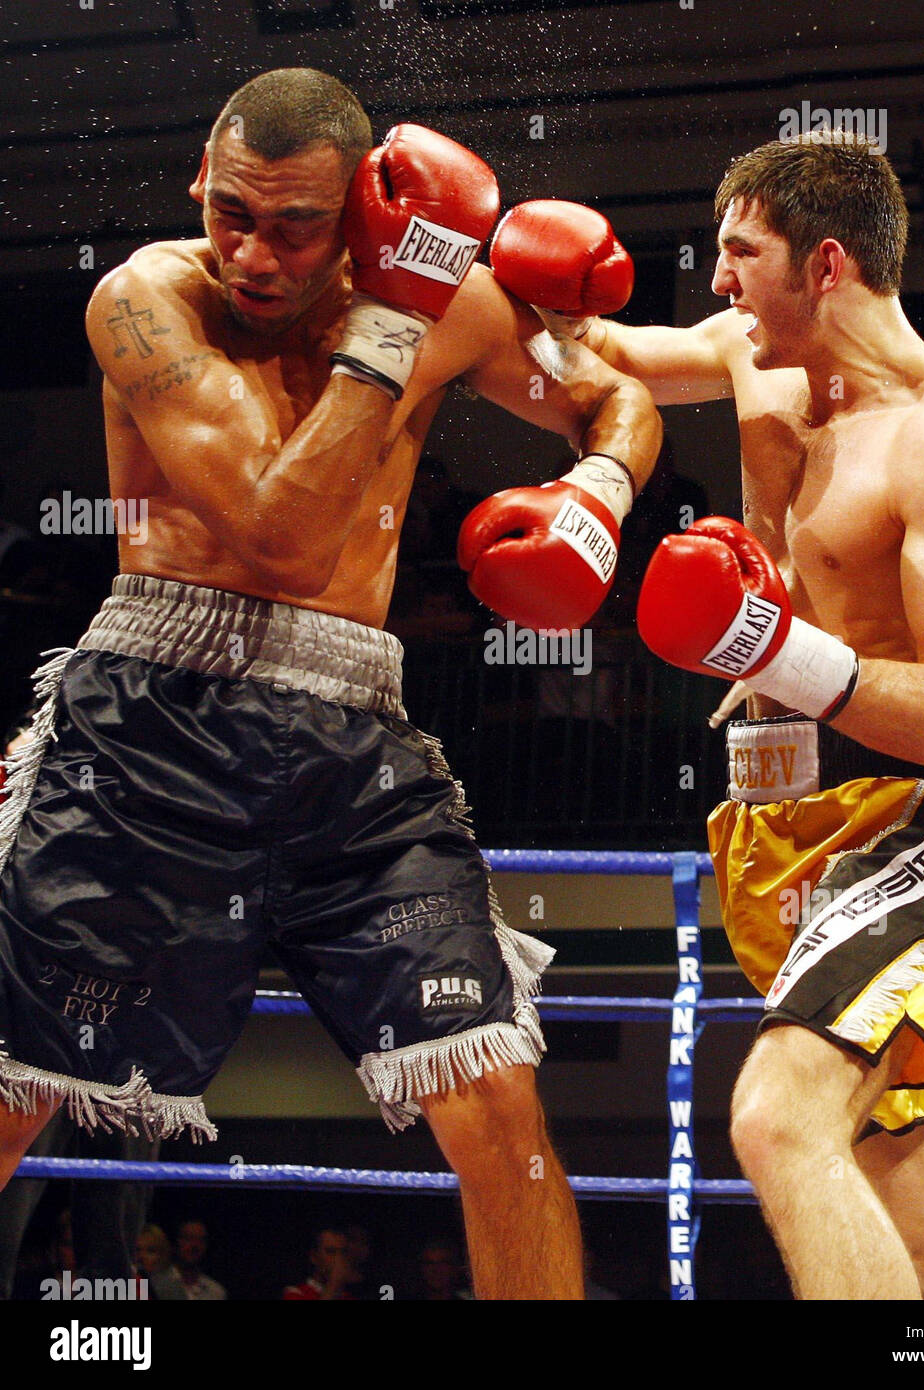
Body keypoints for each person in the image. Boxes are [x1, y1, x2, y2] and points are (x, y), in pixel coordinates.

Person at [0, 67, 661, 1302]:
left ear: (359, 211)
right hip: (153, 714)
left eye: (294, 224)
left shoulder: (443, 302)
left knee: (497, 1106)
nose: (251, 252)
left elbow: (614, 394)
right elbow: (277, 534)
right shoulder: (146, 299)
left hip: (356, 732)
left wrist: (596, 495)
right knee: (14, 1085)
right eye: (230, 211)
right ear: (200, 183)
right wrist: (399, 315)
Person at [492, 133, 924, 1299]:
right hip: (774, 834)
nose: (715, 282)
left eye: (738, 253)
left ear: (823, 264)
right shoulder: (749, 358)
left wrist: (771, 643)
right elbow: (582, 365)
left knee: (774, 1121)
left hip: (903, 825)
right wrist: (477, 280)